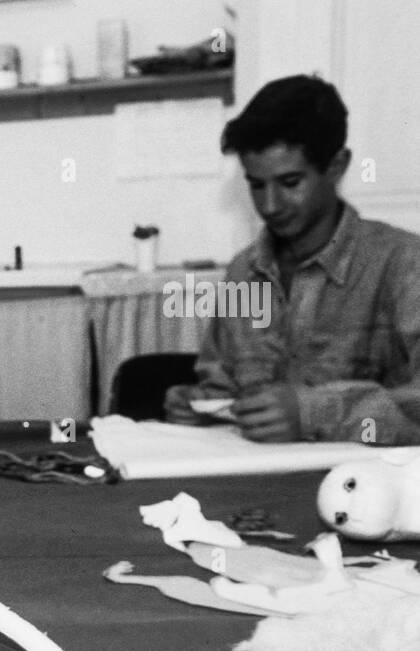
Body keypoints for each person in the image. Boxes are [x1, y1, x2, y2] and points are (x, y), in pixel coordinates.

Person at [165, 75, 420, 444]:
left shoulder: (404, 265)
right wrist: (201, 406)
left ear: (336, 166)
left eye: (289, 183)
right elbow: (221, 385)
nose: (269, 205)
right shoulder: (243, 273)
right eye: (255, 185)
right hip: (257, 490)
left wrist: (315, 413)